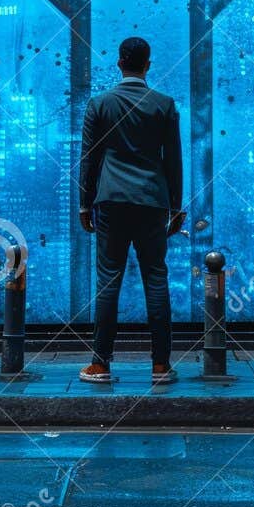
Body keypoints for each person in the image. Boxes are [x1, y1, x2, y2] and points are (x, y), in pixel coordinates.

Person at [78, 37, 185, 385]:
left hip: (111, 201)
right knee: (156, 277)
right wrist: (176, 206)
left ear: (120, 63)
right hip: (153, 201)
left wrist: (84, 203)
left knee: (108, 280)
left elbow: (89, 159)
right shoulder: (164, 105)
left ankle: (101, 364)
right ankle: (161, 365)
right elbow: (173, 160)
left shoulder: (99, 104)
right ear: (147, 65)